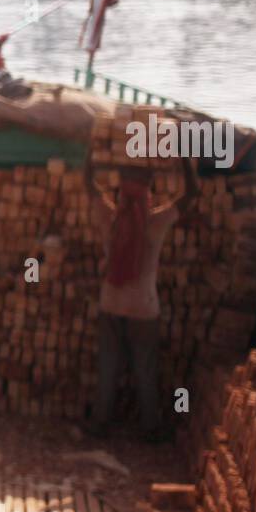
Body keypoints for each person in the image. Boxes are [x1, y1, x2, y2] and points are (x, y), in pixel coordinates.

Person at [84, 152, 199, 441]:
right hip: (144, 309)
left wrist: (94, 150)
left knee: (108, 368)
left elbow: (88, 183)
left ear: (121, 191)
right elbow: (191, 195)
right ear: (148, 194)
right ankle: (150, 428)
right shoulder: (156, 223)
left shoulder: (109, 217)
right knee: (145, 370)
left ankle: (100, 423)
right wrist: (184, 158)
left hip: (110, 303)